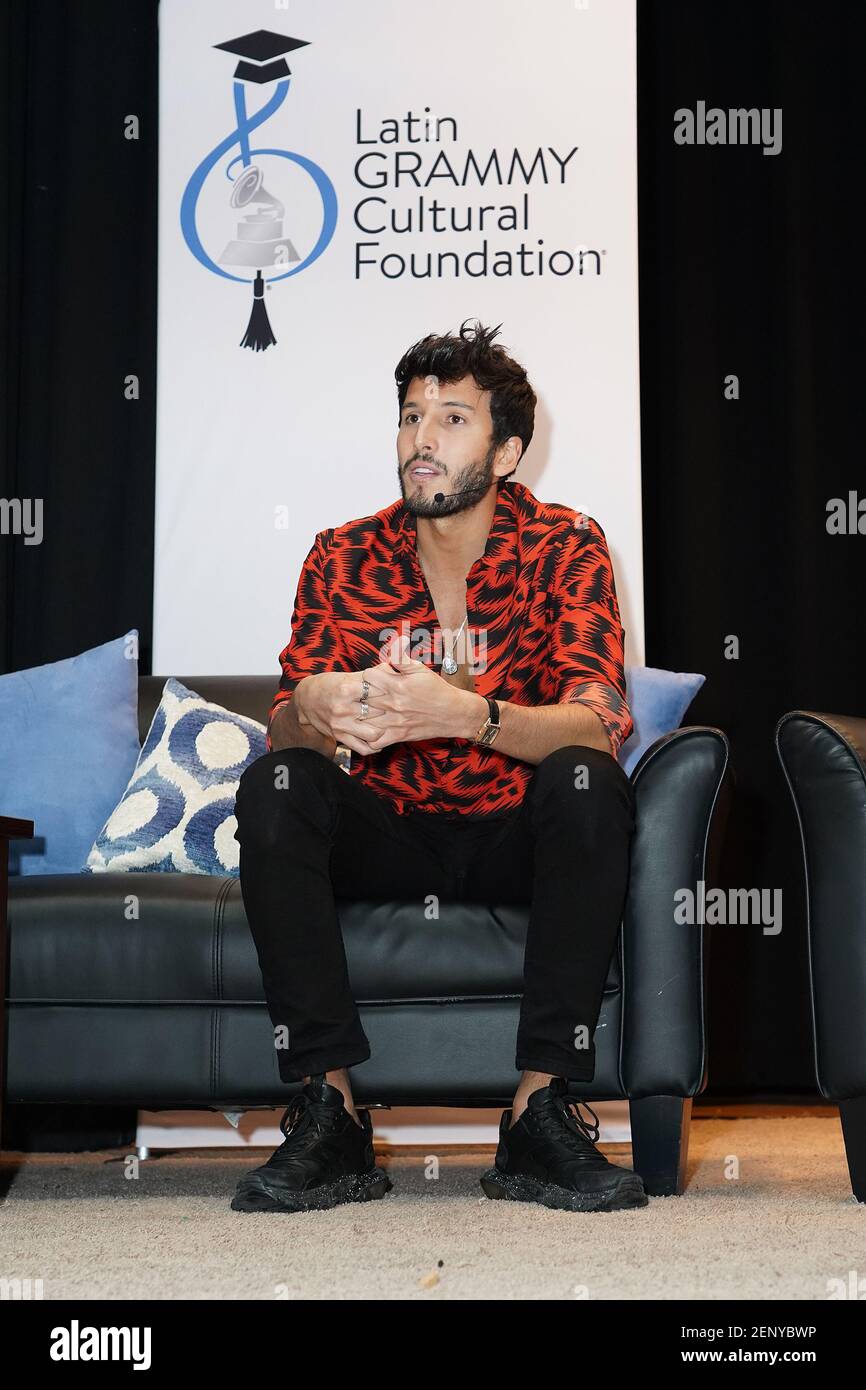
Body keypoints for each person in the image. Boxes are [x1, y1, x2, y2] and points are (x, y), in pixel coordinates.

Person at [231, 319, 646, 1214]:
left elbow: (598, 723)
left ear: (506, 453)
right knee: (277, 784)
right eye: (411, 416)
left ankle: (541, 1111)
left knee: (587, 781)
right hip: (388, 832)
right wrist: (309, 711)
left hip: (513, 830)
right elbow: (284, 735)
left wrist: (472, 716)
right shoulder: (342, 555)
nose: (421, 439)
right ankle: (329, 1111)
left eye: (452, 419)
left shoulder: (567, 545)